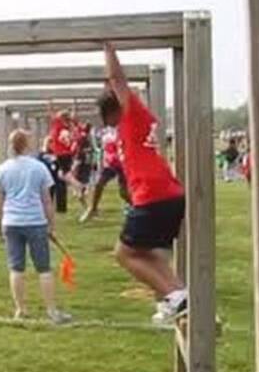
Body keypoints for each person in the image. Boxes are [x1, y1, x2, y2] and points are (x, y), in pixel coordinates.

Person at [97, 42, 188, 326]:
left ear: (115, 111)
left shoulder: (132, 114)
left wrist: (107, 46)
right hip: (166, 195)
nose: (109, 126)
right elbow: (110, 85)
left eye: (107, 119)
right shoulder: (131, 123)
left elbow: (117, 80)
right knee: (147, 252)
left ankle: (173, 296)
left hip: (154, 195)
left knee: (123, 254)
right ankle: (179, 296)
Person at [0, 129, 73, 324]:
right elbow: (47, 200)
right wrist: (51, 225)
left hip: (11, 223)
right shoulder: (39, 168)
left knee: (16, 268)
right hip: (35, 222)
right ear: (27, 145)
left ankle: (20, 309)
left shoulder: (3, 169)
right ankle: (52, 311)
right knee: (43, 269)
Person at [80, 126, 128, 222]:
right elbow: (102, 148)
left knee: (123, 193)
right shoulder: (104, 131)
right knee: (99, 184)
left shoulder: (123, 128)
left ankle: (138, 205)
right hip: (109, 164)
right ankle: (92, 209)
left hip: (122, 163)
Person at [46, 104, 77, 213]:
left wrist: (49, 104)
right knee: (61, 174)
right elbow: (72, 117)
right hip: (68, 153)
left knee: (64, 174)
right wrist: (73, 108)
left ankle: (78, 186)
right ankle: (75, 186)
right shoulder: (68, 126)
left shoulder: (58, 125)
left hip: (61, 153)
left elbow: (52, 115)